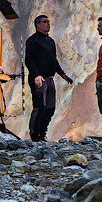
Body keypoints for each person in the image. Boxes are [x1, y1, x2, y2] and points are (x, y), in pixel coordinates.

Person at [25, 14, 73, 142]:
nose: (48, 24)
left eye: (48, 21)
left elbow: (54, 61)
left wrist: (63, 74)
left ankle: (42, 133)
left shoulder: (50, 41)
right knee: (40, 107)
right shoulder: (32, 40)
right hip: (39, 79)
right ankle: (35, 136)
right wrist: (37, 75)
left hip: (50, 79)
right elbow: (29, 60)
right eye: (45, 22)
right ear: (38, 25)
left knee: (50, 108)